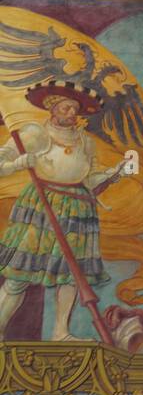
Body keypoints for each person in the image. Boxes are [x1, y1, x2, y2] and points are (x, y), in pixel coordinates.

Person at [0, 85, 125, 342]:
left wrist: (113, 174)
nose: (71, 112)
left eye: (75, 109)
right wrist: (18, 164)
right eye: (66, 107)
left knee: (70, 275)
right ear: (52, 106)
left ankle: (61, 332)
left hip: (77, 208)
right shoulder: (34, 133)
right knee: (20, 273)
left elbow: (89, 179)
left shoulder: (85, 141)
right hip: (42, 205)